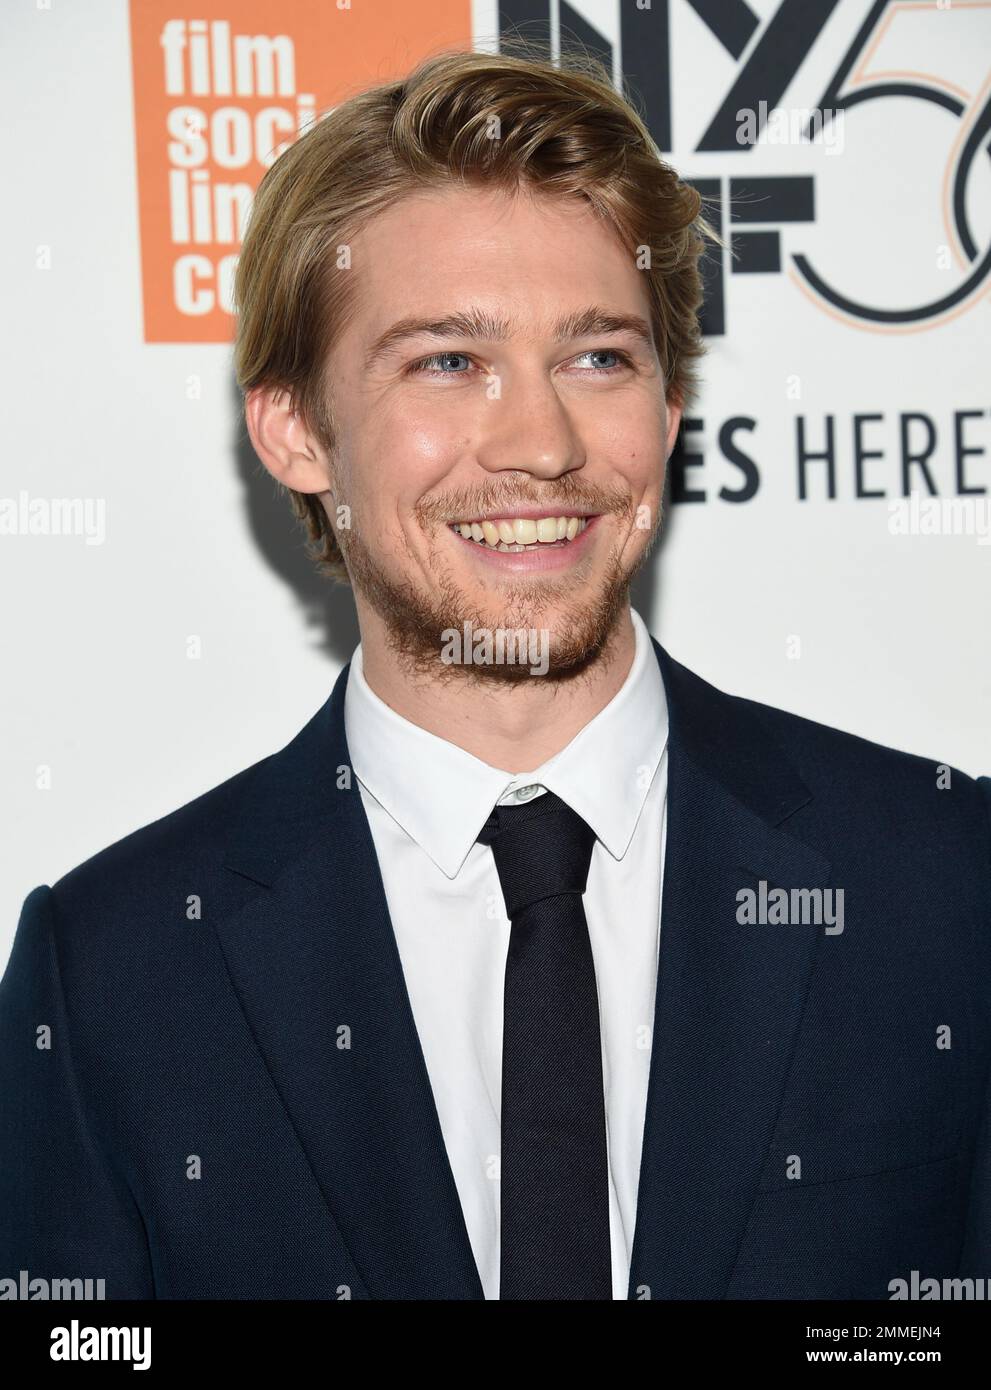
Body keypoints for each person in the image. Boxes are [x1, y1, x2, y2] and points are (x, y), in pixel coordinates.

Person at [2, 46, 989, 1302]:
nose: (542, 443)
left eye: (598, 358)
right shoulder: (114, 971)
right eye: (448, 362)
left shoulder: (943, 883)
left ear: (670, 410)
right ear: (296, 430)